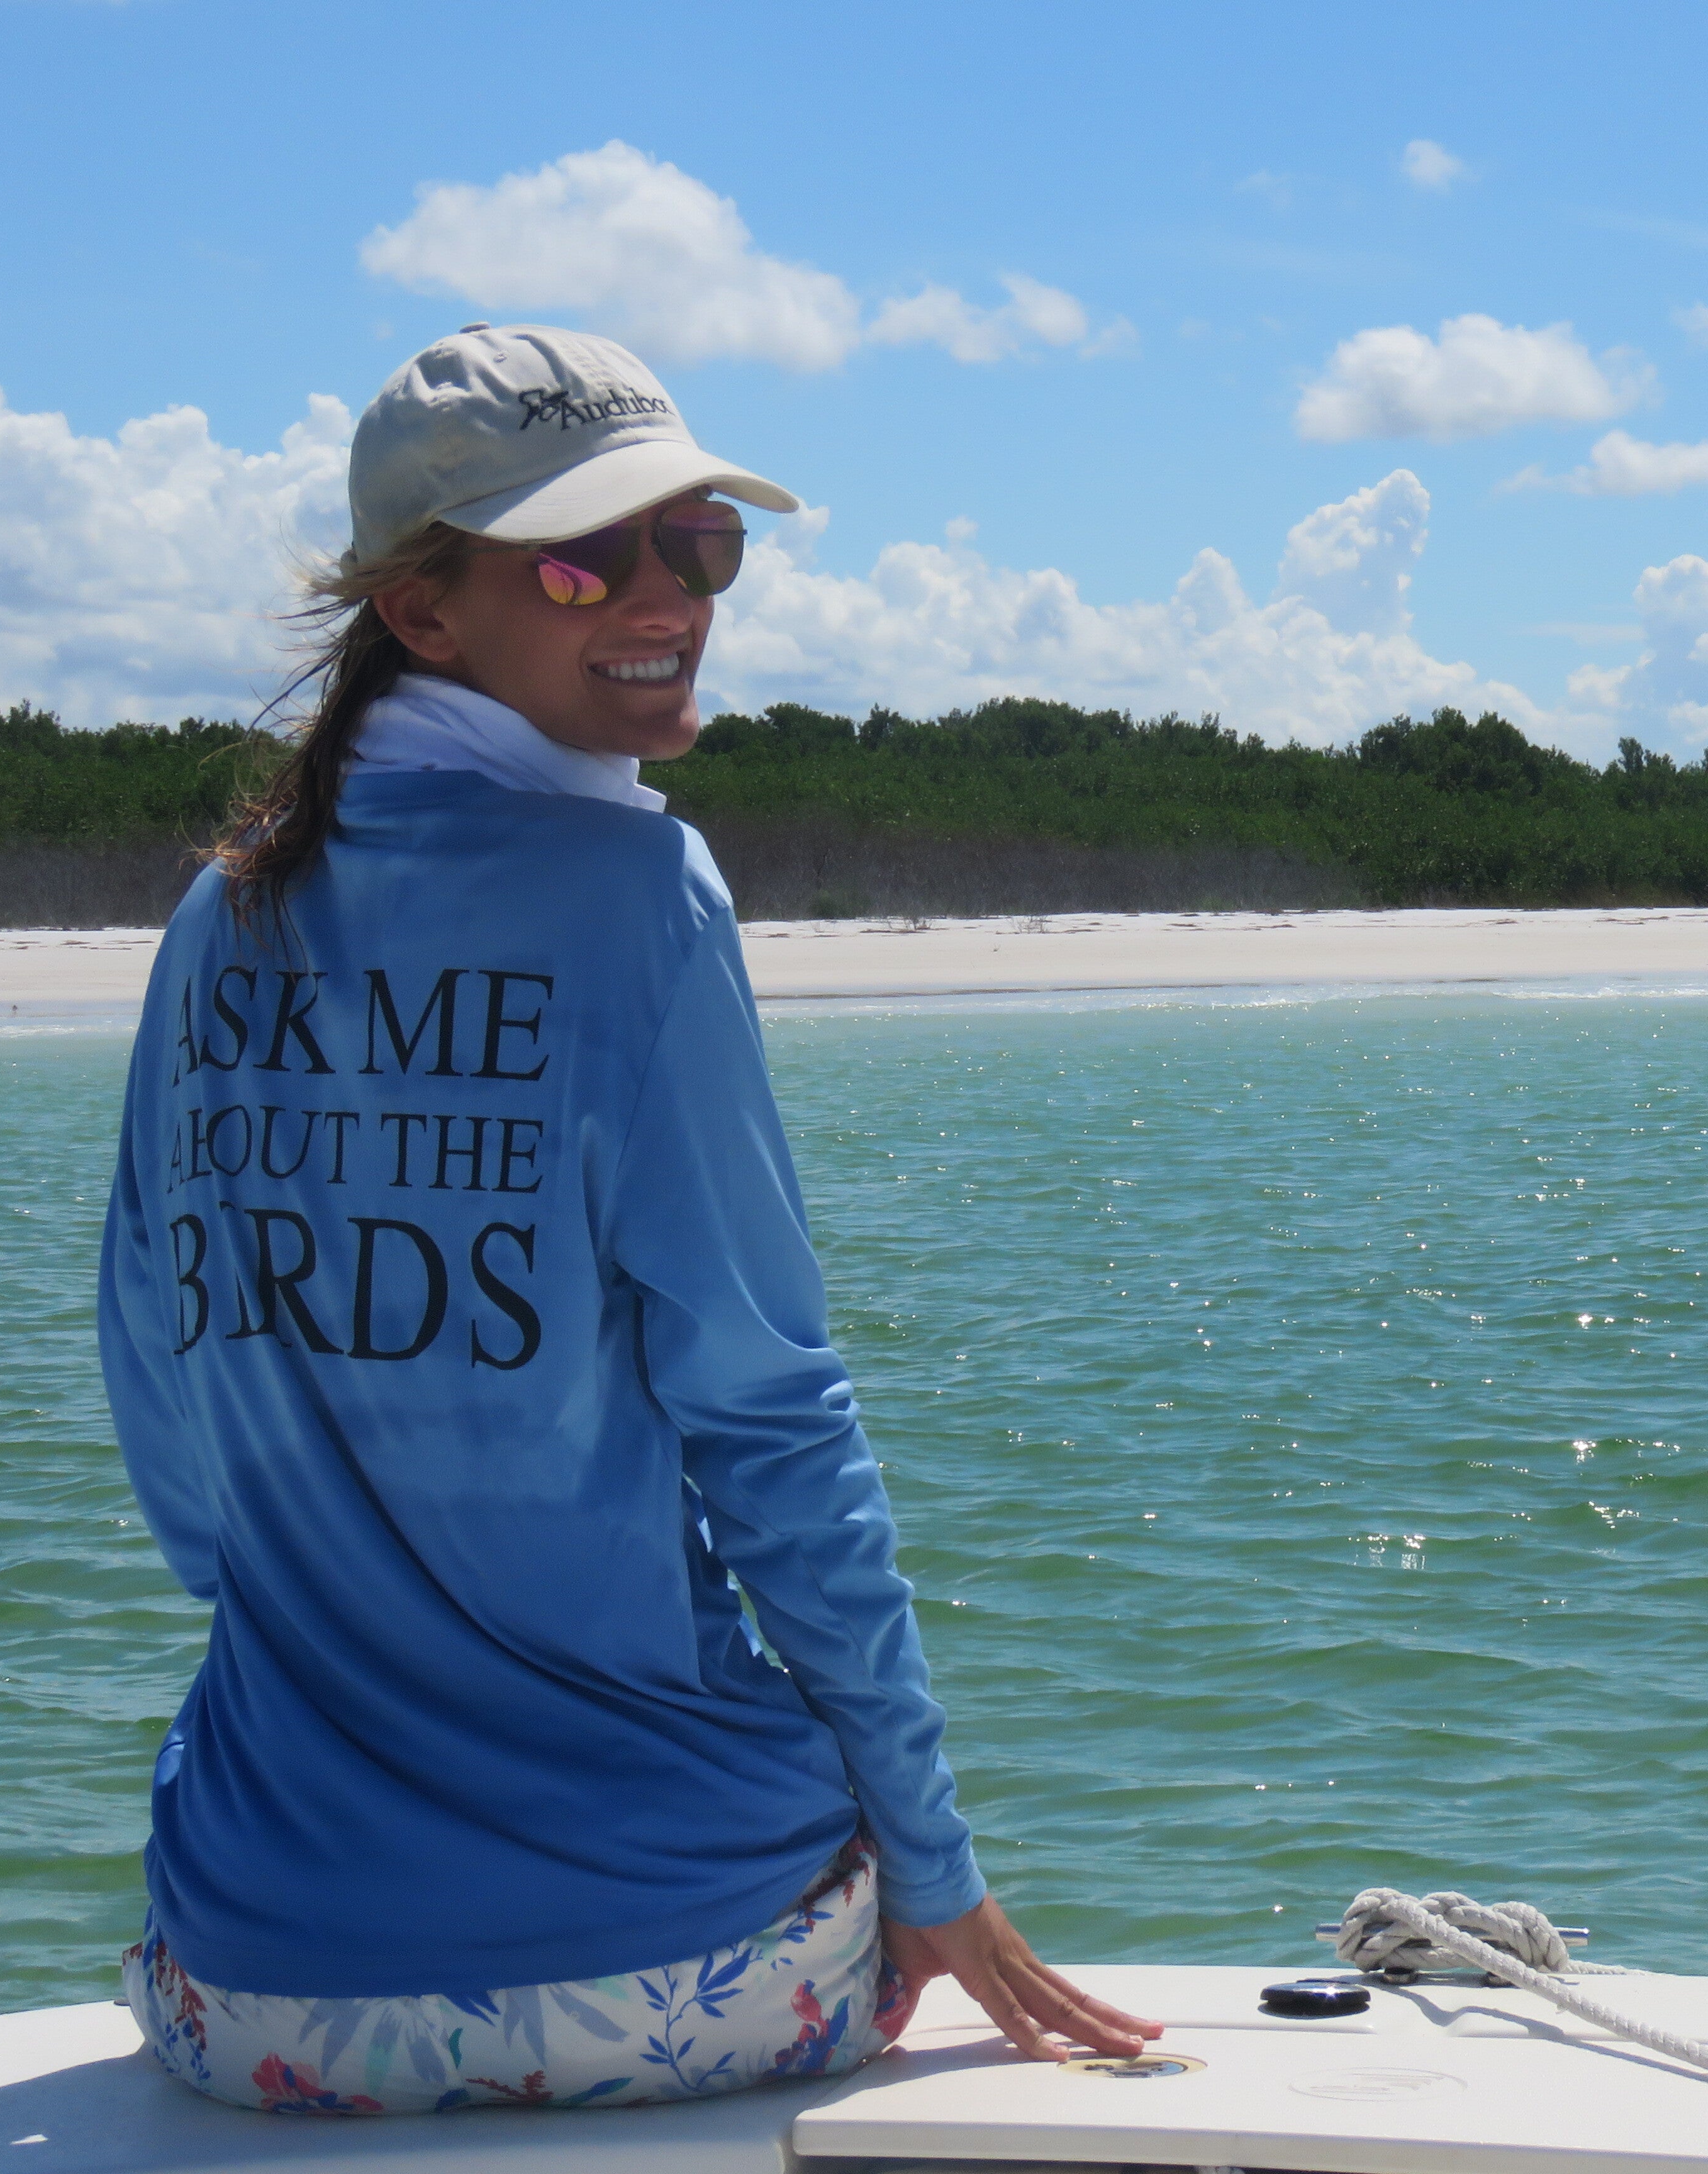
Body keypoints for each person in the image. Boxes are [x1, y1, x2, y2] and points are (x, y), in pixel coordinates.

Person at [96, 323, 1156, 2115]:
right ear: (423, 613)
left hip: (253, 1998)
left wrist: (354, 1669)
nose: (668, 593)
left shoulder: (223, 914)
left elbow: (164, 1411)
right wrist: (934, 1865)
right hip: (672, 1977)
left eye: (699, 542)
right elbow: (774, 1425)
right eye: (586, 559)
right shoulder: (645, 894)